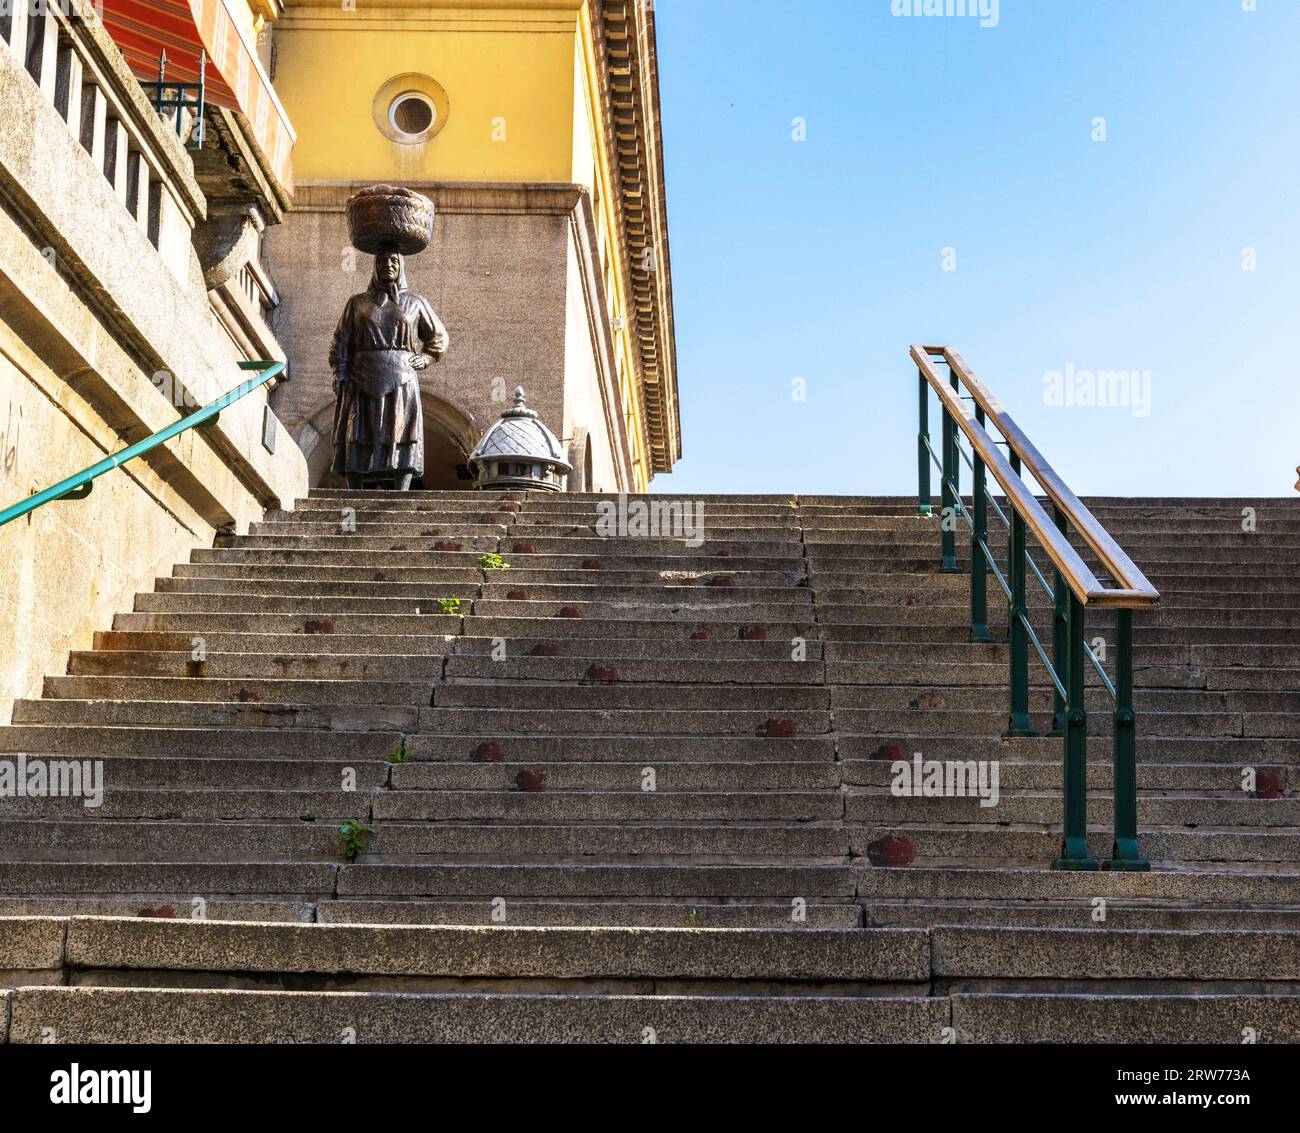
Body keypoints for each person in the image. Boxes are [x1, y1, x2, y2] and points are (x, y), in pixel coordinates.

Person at [329, 248, 448, 490]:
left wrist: (426, 358)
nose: (388, 265)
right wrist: (339, 373)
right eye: (382, 260)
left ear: (401, 266)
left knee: (401, 429)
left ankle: (401, 485)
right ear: (375, 266)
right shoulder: (357, 303)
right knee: (359, 429)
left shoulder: (415, 303)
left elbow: (439, 337)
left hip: (401, 376)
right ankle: (355, 487)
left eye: (394, 260)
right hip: (361, 375)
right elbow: (340, 342)